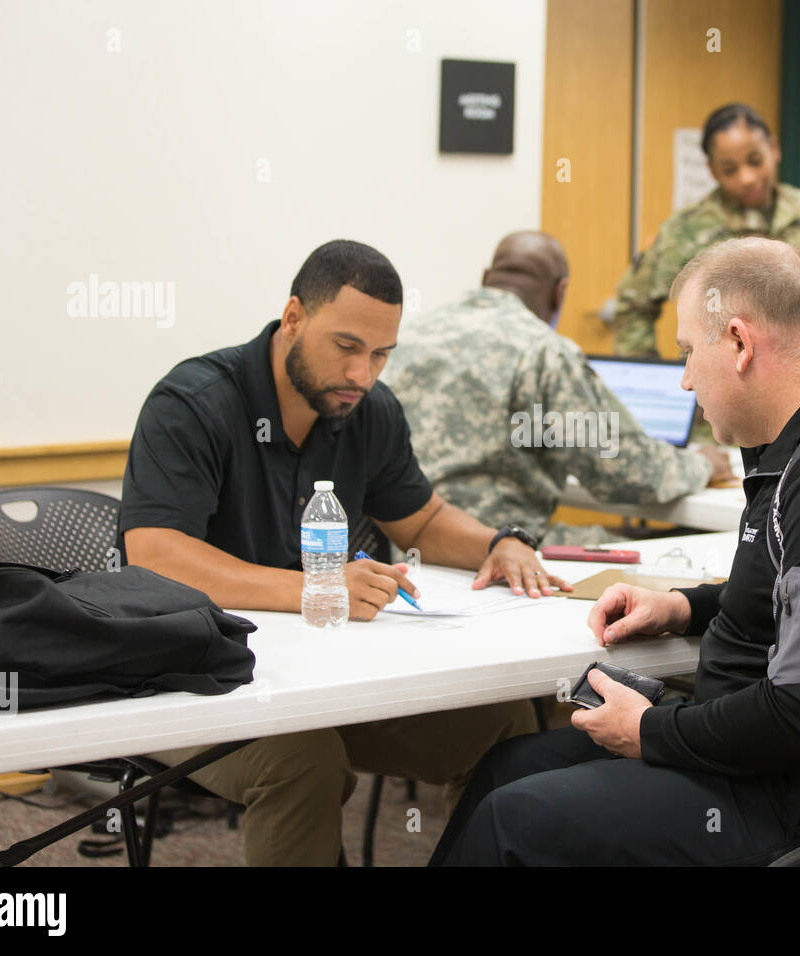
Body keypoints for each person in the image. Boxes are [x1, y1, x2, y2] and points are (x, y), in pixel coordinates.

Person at [429, 237, 800, 866]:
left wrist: (649, 730)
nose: (688, 378)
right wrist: (683, 606)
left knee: (515, 820)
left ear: (740, 343)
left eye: (690, 352)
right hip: (773, 764)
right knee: (506, 770)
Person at [119, 239, 572, 865]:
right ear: (295, 318)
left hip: (319, 677)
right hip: (189, 682)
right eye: (348, 347)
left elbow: (424, 519)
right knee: (302, 761)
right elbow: (155, 556)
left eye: (382, 354)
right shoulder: (194, 404)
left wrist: (499, 543)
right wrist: (312, 589)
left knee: (502, 725)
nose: (363, 373)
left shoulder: (366, 409)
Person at [382, 231, 735, 547]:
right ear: (559, 291)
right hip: (498, 546)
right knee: (671, 552)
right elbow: (620, 469)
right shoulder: (542, 351)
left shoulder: (410, 336)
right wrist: (700, 464)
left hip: (401, 543)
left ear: (487, 278)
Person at [610, 103, 800, 357]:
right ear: (713, 171)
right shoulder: (688, 229)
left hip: (799, 377)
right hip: (722, 384)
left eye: (755, 160)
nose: (747, 178)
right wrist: (657, 377)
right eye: (730, 170)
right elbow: (633, 304)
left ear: (774, 148)